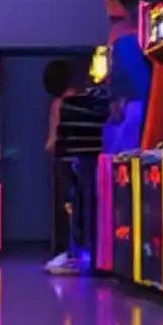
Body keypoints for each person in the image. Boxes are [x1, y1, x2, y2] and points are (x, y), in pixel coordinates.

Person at [44, 59, 108, 275]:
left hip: (68, 163)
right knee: (91, 209)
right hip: (94, 162)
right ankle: (93, 255)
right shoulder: (96, 100)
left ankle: (71, 255)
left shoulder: (59, 105)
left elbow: (52, 143)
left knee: (70, 210)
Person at [103, 0, 151, 156]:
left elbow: (124, 76)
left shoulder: (123, 38)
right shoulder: (134, 35)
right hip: (138, 104)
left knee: (121, 160)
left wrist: (116, 98)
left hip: (135, 105)